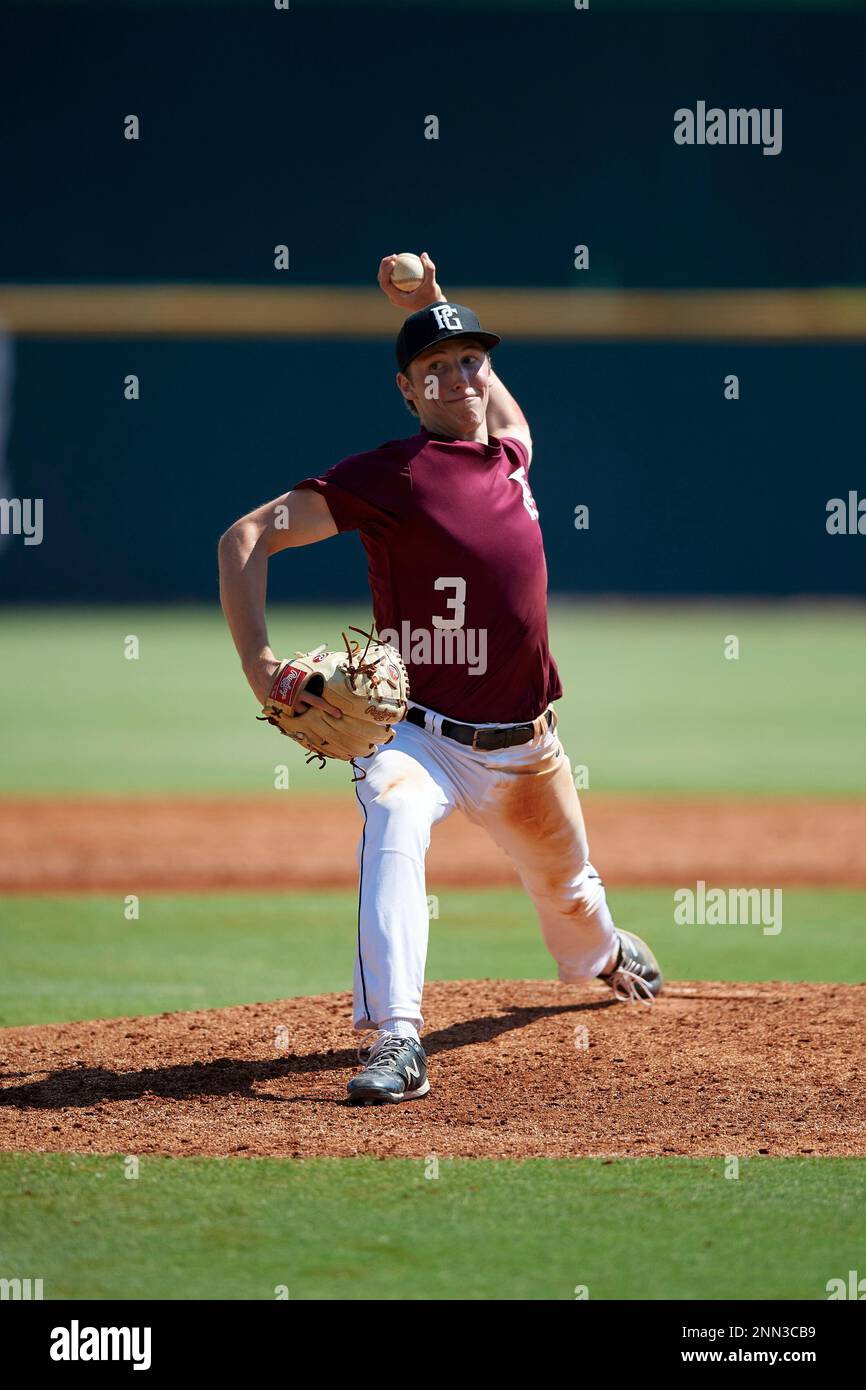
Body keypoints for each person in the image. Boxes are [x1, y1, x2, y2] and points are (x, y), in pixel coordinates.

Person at [218, 252, 662, 1106]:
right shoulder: (392, 476)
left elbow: (492, 399)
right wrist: (258, 665)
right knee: (391, 812)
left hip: (526, 748)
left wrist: (431, 302)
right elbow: (245, 538)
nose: (459, 378)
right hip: (416, 731)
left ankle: (605, 953)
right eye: (435, 367)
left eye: (471, 362)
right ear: (407, 389)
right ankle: (398, 1039)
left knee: (568, 892)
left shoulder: (513, 458)